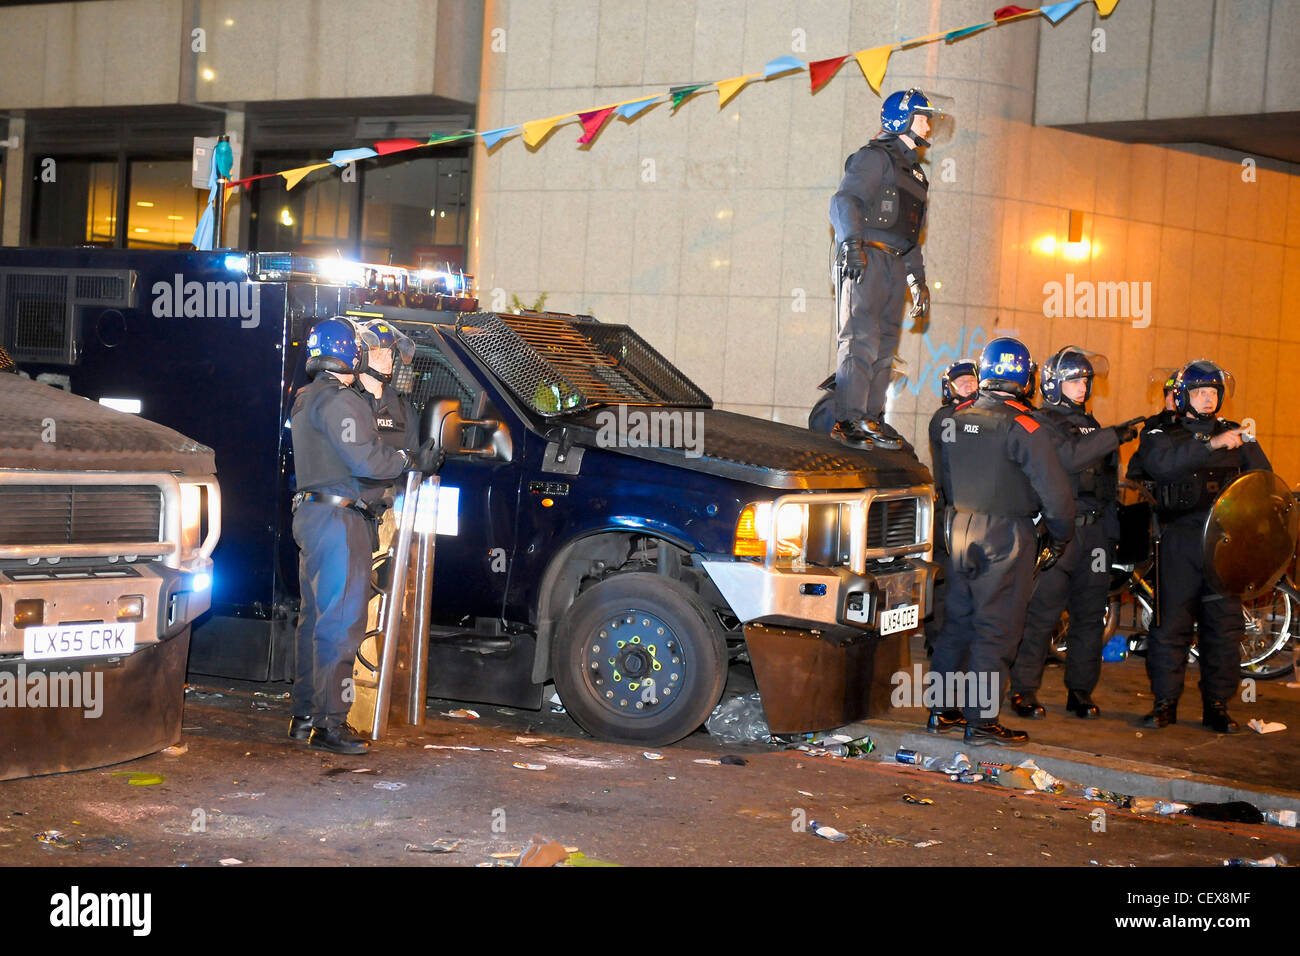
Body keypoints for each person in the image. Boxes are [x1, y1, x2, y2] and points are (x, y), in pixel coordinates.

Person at [288, 316, 439, 754]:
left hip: (316, 518)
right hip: (340, 523)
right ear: (349, 354)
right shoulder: (340, 401)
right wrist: (412, 460)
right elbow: (369, 461)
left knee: (315, 621)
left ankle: (305, 716)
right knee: (341, 625)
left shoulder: (307, 397)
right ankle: (330, 725)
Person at [931, 337, 1075, 746]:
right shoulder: (1027, 427)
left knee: (957, 622)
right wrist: (1061, 538)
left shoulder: (954, 418)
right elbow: (1057, 497)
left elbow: (945, 477)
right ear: (1025, 378)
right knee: (996, 628)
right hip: (1006, 535)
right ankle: (980, 723)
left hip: (959, 527)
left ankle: (941, 712)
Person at [1137, 359, 1270, 733]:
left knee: (1223, 628)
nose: (1208, 398)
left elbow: (1263, 481)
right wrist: (1211, 445)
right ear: (1183, 396)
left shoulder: (1237, 433)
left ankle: (1217, 706)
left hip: (1223, 544)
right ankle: (1165, 704)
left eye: (1213, 392)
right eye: (1199, 391)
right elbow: (1161, 466)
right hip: (1179, 539)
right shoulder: (1161, 432)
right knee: (1170, 627)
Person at [1008, 348, 1140, 720]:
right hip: (1060, 531)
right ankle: (1023, 690)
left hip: (1096, 533)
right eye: (1074, 380)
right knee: (1042, 615)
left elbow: (1105, 482)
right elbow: (1069, 457)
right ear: (1053, 384)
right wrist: (1115, 435)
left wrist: (1114, 534)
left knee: (1089, 615)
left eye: (1085, 380)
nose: (1082, 387)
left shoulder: (1093, 425)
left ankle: (1080, 691)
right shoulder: (1042, 422)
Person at [828, 88, 941, 448]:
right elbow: (844, 200)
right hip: (865, 256)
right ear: (902, 119)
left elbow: (910, 236)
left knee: (884, 348)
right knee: (860, 340)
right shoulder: (873, 157)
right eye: (923, 117)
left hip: (894, 262)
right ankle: (849, 420)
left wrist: (917, 281)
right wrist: (850, 244)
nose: (929, 124)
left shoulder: (917, 176)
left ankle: (871, 419)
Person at [923, 360, 977, 660]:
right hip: (950, 511)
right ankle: (937, 639)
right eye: (962, 382)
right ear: (950, 388)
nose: (968, 385)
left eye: (972, 380)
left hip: (972, 513)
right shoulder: (945, 418)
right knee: (945, 581)